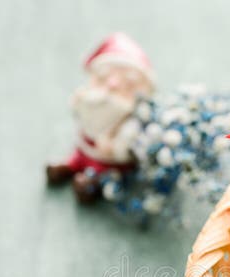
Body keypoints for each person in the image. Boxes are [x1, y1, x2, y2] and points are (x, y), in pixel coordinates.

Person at [46, 33, 155, 203]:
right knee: (76, 158)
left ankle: (91, 184)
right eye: (104, 78)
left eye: (126, 83)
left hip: (108, 160)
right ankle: (68, 167)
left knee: (104, 172)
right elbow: (78, 111)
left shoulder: (132, 117)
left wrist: (115, 149)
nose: (112, 85)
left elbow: (130, 141)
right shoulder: (89, 100)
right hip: (84, 147)